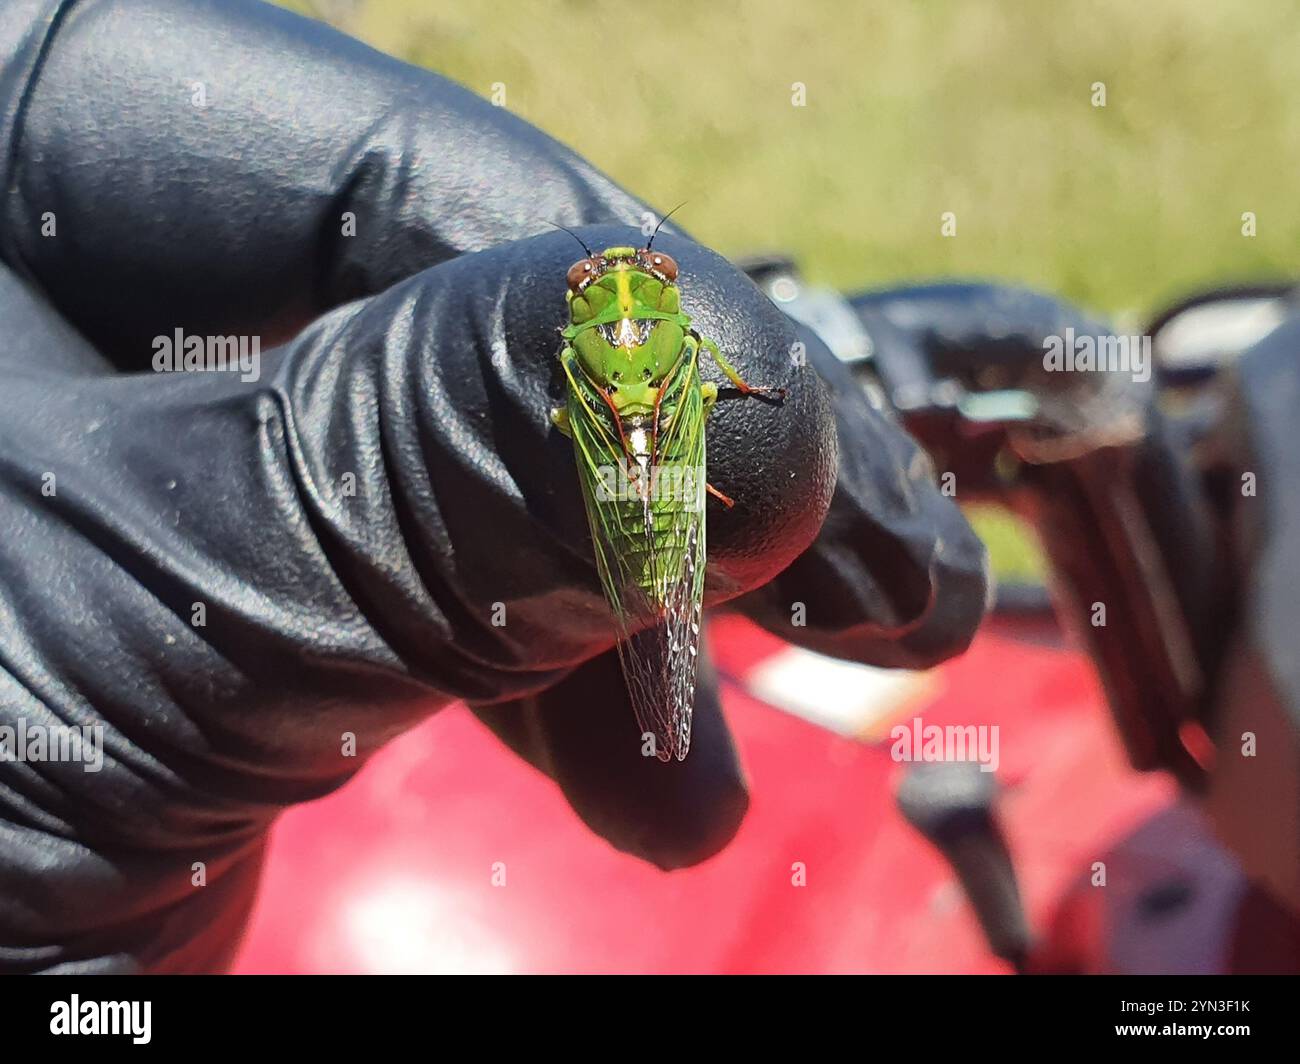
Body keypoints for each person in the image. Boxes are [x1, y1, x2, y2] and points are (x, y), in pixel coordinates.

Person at [0, 0, 987, 973]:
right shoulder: (661, 346)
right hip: (648, 477)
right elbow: (673, 385)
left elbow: (649, 392)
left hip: (652, 475)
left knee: (695, 454)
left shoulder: (618, 342)